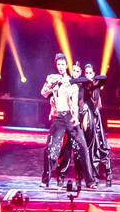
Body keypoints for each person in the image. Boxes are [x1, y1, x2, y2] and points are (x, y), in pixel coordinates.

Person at [40, 54, 93, 189]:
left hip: (70, 117)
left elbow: (74, 102)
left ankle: (90, 181)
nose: (61, 67)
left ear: (66, 65)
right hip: (59, 118)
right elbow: (44, 93)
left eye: (63, 64)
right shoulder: (53, 78)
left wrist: (75, 117)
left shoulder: (71, 82)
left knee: (82, 147)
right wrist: (51, 85)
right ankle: (45, 180)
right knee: (50, 148)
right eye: (58, 64)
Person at [80, 63, 112, 185]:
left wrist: (93, 78)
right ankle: (93, 176)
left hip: (96, 117)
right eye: (86, 73)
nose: (88, 75)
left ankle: (107, 173)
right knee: (91, 147)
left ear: (94, 73)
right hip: (88, 116)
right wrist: (86, 79)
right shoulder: (83, 85)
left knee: (101, 145)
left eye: (90, 73)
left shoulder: (97, 83)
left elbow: (103, 77)